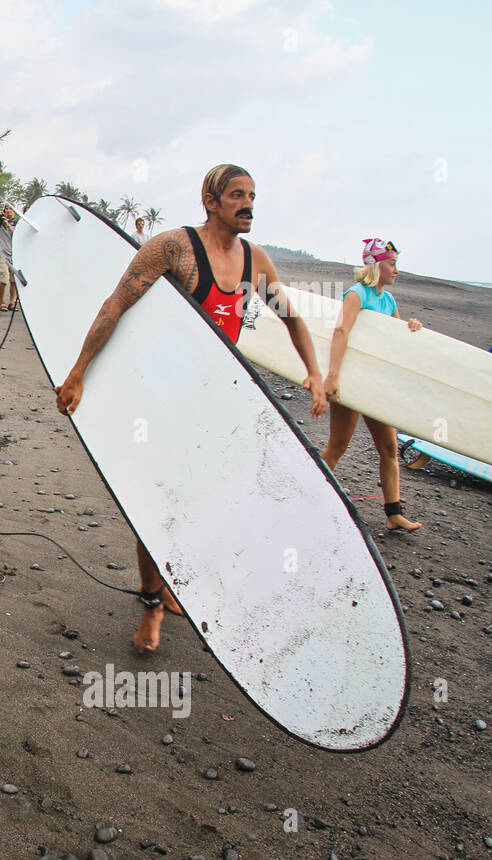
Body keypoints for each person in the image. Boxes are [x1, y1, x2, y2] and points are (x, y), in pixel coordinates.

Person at [55, 163, 329, 654]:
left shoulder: (256, 262)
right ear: (211, 201)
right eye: (237, 196)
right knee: (154, 504)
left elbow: (291, 318)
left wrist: (314, 373)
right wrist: (78, 371)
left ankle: (171, 581)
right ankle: (152, 602)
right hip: (162, 397)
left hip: (217, 397)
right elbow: (115, 305)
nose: (247, 204)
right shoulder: (174, 248)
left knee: (200, 503)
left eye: (252, 196)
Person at [320, 239, 423, 532]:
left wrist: (411, 327)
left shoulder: (389, 302)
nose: (396, 270)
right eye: (392, 263)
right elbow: (341, 332)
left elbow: (395, 342)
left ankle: (394, 514)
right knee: (338, 446)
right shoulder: (357, 294)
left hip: (375, 384)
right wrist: (333, 375)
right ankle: (310, 493)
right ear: (376, 265)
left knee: (389, 448)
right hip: (350, 381)